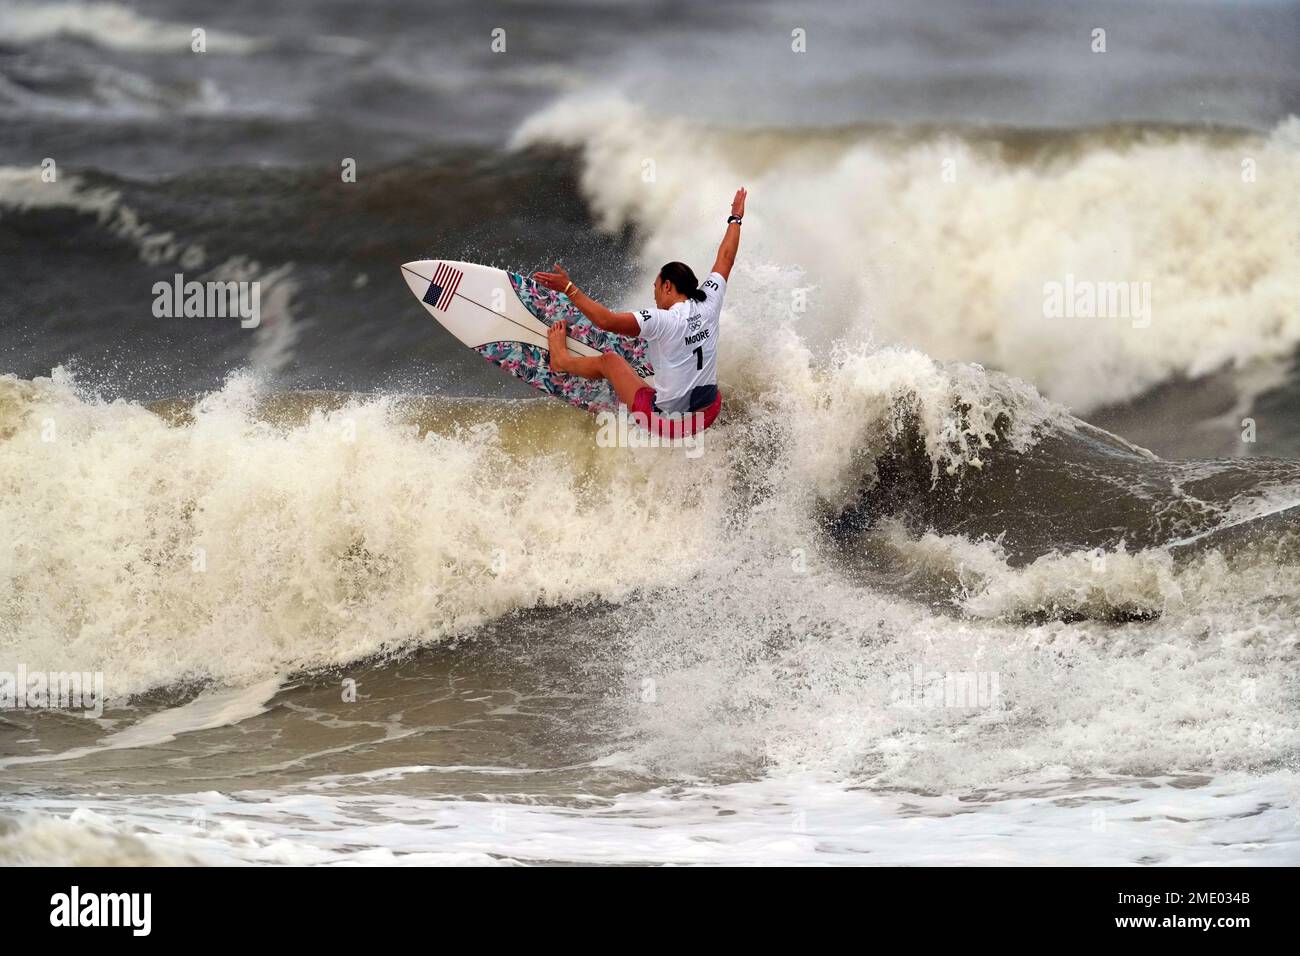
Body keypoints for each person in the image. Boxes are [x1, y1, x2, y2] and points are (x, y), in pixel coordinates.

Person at [533, 187, 746, 437]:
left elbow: (606, 321)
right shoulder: (710, 299)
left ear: (668, 286)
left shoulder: (663, 319)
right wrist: (736, 217)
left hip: (670, 424)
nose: (654, 294)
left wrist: (568, 288)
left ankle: (562, 362)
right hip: (709, 413)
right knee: (667, 350)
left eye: (656, 287)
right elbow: (726, 258)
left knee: (610, 360)